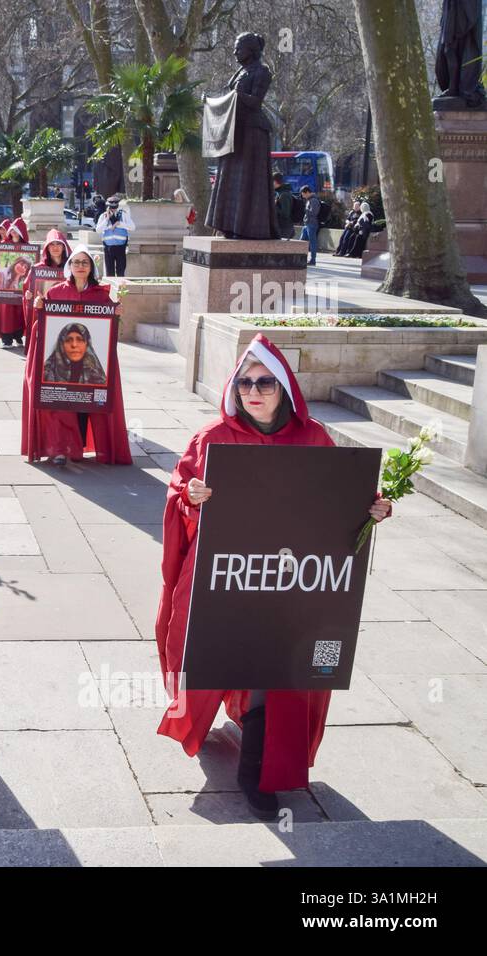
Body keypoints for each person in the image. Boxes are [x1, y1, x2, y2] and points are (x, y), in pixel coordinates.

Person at [155, 334, 393, 818]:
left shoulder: (314, 439)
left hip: (288, 580)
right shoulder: (211, 438)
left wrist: (373, 509)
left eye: (264, 381)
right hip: (222, 575)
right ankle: (208, 722)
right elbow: (179, 491)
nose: (253, 391)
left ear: (284, 388)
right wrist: (189, 498)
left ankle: (256, 772)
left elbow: (338, 505)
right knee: (215, 655)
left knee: (276, 665)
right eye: (245, 382)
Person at [20, 244, 131, 466]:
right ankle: (61, 448)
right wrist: (38, 307)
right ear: (69, 266)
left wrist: (117, 313)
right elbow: (42, 327)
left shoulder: (102, 296)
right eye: (76, 262)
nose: (80, 266)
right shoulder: (56, 292)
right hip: (61, 366)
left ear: (91, 267)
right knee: (59, 403)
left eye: (85, 262)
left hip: (87, 367)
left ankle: (78, 445)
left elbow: (108, 334)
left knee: (87, 405)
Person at [206, 32, 275, 239]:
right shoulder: (240, 71)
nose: (235, 51)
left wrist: (236, 95)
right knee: (229, 180)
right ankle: (228, 225)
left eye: (239, 48)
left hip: (252, 132)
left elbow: (255, 102)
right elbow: (230, 97)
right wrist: (211, 100)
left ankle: (247, 228)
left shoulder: (262, 72)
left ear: (251, 50)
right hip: (234, 131)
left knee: (246, 180)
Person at [22, 228, 71, 347]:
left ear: (64, 246)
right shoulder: (37, 269)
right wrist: (28, 296)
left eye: (58, 244)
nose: (55, 247)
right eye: (51, 244)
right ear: (47, 248)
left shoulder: (71, 268)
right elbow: (27, 291)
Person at [0, 219, 30, 348]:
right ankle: (6, 339)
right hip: (5, 291)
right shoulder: (4, 244)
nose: (13, 232)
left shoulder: (28, 247)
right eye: (12, 229)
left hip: (21, 290)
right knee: (6, 313)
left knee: (19, 313)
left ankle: (18, 336)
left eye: (16, 230)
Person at [95, 197, 134, 277]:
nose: (113, 210)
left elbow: (132, 227)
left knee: (121, 272)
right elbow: (98, 230)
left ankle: (121, 289)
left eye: (115, 208)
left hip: (121, 248)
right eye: (111, 208)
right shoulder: (103, 216)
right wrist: (107, 220)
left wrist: (119, 224)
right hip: (108, 248)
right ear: (108, 207)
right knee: (109, 273)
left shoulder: (123, 215)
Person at [299, 185, 321, 264]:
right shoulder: (309, 200)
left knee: (312, 242)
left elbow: (314, 212)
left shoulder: (314, 200)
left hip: (312, 224)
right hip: (307, 223)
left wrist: (306, 210)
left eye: (303, 194)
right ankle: (300, 258)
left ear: (307, 192)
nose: (303, 196)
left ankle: (313, 260)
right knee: (301, 241)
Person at [273, 174, 294, 239]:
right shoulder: (280, 193)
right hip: (282, 227)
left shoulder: (284, 195)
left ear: (275, 182)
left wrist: (274, 207)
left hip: (284, 228)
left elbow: (285, 214)